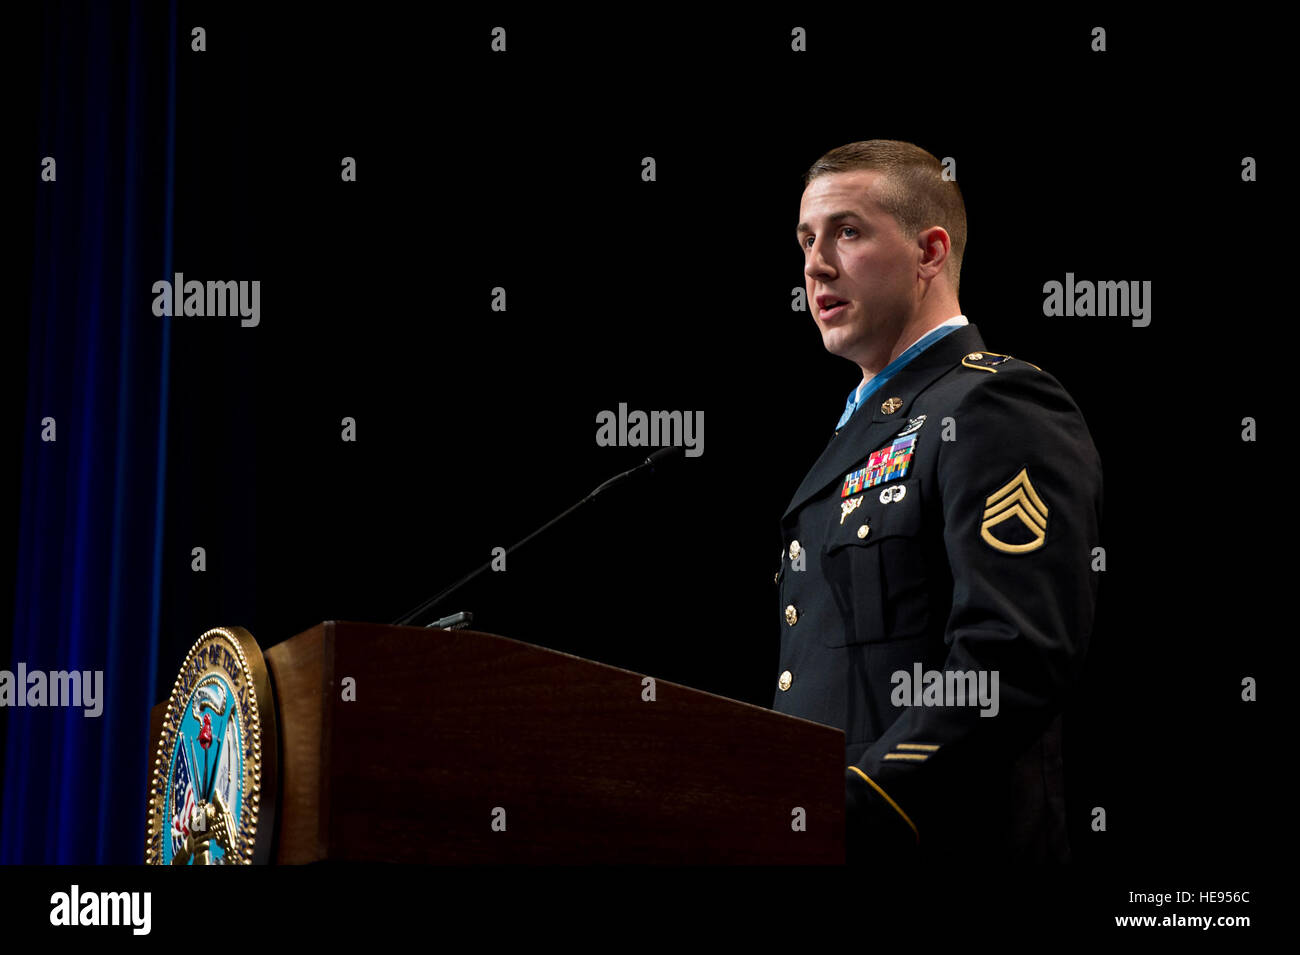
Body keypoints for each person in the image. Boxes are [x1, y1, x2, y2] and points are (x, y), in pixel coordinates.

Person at [774, 140, 1102, 863]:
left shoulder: (994, 402)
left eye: (847, 232)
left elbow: (1013, 653)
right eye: (805, 240)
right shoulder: (867, 425)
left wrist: (863, 798)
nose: (815, 265)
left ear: (929, 252)